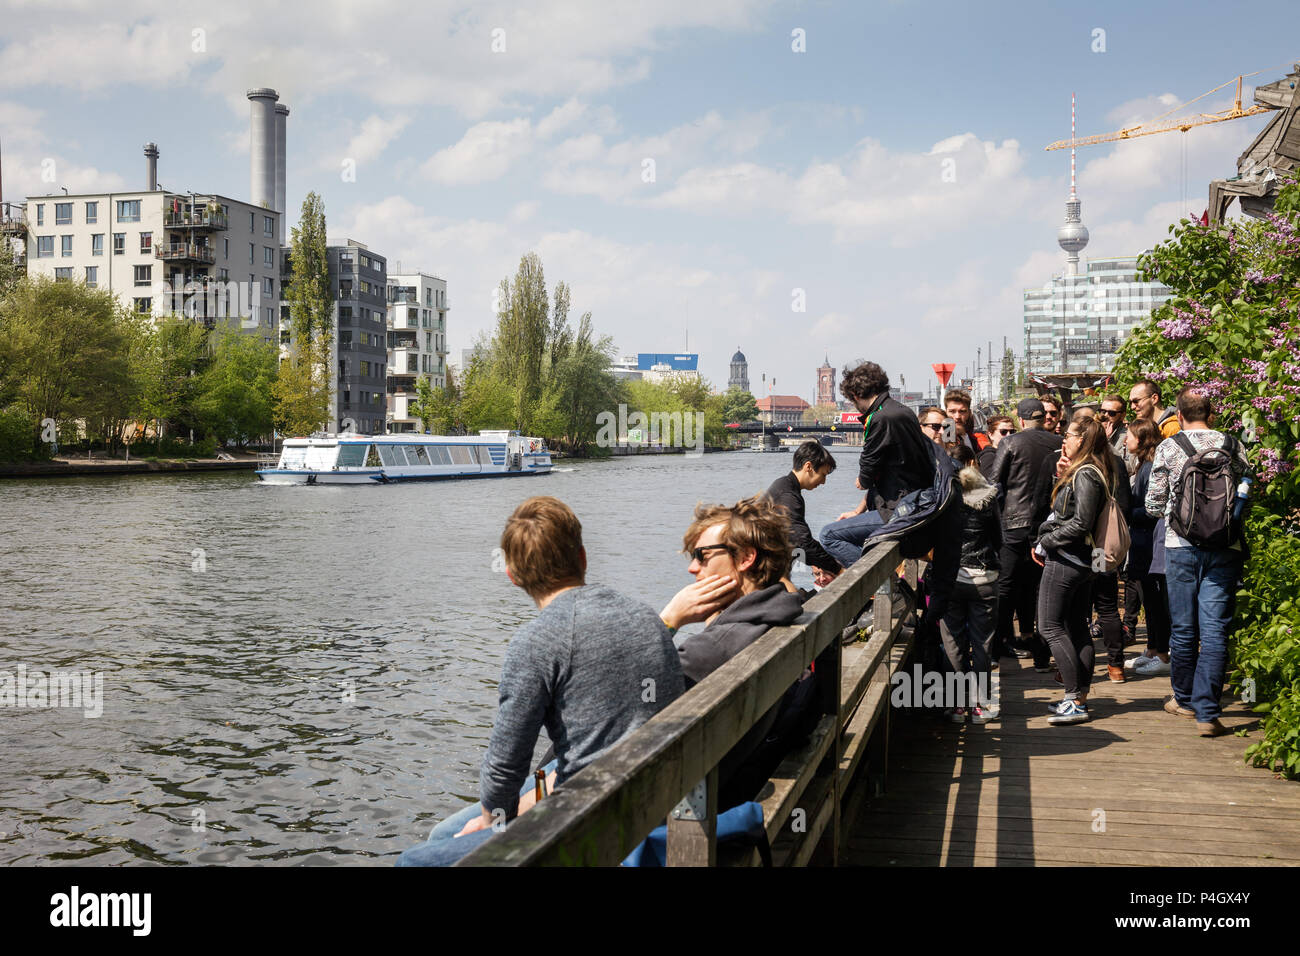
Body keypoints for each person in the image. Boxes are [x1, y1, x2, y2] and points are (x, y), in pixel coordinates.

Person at [396, 496, 685, 866]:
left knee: (415, 862)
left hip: (592, 821)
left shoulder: (535, 643)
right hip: (661, 795)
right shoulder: (645, 616)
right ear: (582, 556)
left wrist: (490, 824)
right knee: (443, 835)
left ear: (513, 576)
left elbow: (507, 762)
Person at [660, 495, 812, 808]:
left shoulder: (713, 649)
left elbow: (615, 706)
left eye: (702, 556)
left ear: (745, 558)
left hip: (689, 809)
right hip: (740, 784)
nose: (692, 568)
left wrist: (668, 621)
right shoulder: (782, 614)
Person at [1145, 387, 1250, 737]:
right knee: (1216, 629)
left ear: (1179, 412)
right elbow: (1250, 488)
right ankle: (1208, 712)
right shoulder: (1233, 446)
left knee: (1185, 628)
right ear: (1212, 412)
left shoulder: (1170, 446)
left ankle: (1184, 701)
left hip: (1181, 546)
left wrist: (1177, 514)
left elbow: (1153, 505)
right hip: (1225, 546)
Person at [1032, 418, 1116, 725]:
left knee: (1049, 627)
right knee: (1077, 627)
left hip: (1069, 559)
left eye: (1068, 436)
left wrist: (1047, 540)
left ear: (1081, 440)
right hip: (1085, 560)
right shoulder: (1096, 470)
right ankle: (1078, 697)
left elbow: (1080, 522)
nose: (1064, 440)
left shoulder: (1086, 474)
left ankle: (1073, 699)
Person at [819, 362, 935, 570]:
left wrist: (862, 479)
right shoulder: (901, 411)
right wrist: (858, 511)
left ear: (855, 394)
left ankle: (882, 580)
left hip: (899, 510)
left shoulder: (881, 418)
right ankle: (886, 582)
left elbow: (867, 471)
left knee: (828, 536)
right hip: (914, 503)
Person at [1059, 407, 1132, 683]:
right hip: (1102, 546)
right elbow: (1124, 504)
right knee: (1107, 605)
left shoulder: (1082, 468)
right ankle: (1116, 666)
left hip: (1082, 546)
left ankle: (1069, 669)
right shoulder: (1115, 463)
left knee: (1078, 608)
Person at [988, 397, 1062, 670]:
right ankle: (1041, 655)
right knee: (1040, 589)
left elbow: (994, 483)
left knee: (1005, 588)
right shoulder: (1058, 442)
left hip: (1013, 524)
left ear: (1020, 420)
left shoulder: (1011, 442)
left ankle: (995, 651)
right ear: (1044, 417)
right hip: (1047, 525)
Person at [940, 445, 1001, 724]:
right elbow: (998, 538)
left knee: (953, 642)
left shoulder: (943, 497)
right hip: (984, 577)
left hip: (952, 578)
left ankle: (956, 706)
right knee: (982, 643)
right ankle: (980, 705)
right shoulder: (989, 497)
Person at [1123, 419, 1171, 676]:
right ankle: (1153, 648)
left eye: (1129, 436)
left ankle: (1162, 653)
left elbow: (1154, 509)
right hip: (1143, 541)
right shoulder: (1145, 465)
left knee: (1154, 600)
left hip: (1150, 541)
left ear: (1141, 439)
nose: (1125, 440)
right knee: (1149, 599)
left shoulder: (1151, 467)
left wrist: (1127, 511)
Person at [765, 441, 842, 586]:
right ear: (808, 467)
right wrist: (837, 569)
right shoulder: (788, 496)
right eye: (823, 474)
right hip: (764, 572)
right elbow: (802, 542)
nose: (824, 482)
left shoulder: (783, 485)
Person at [944, 388, 991, 455]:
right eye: (952, 411)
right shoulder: (940, 441)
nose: (957, 416)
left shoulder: (976, 440)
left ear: (969, 413)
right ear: (946, 412)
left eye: (962, 411)